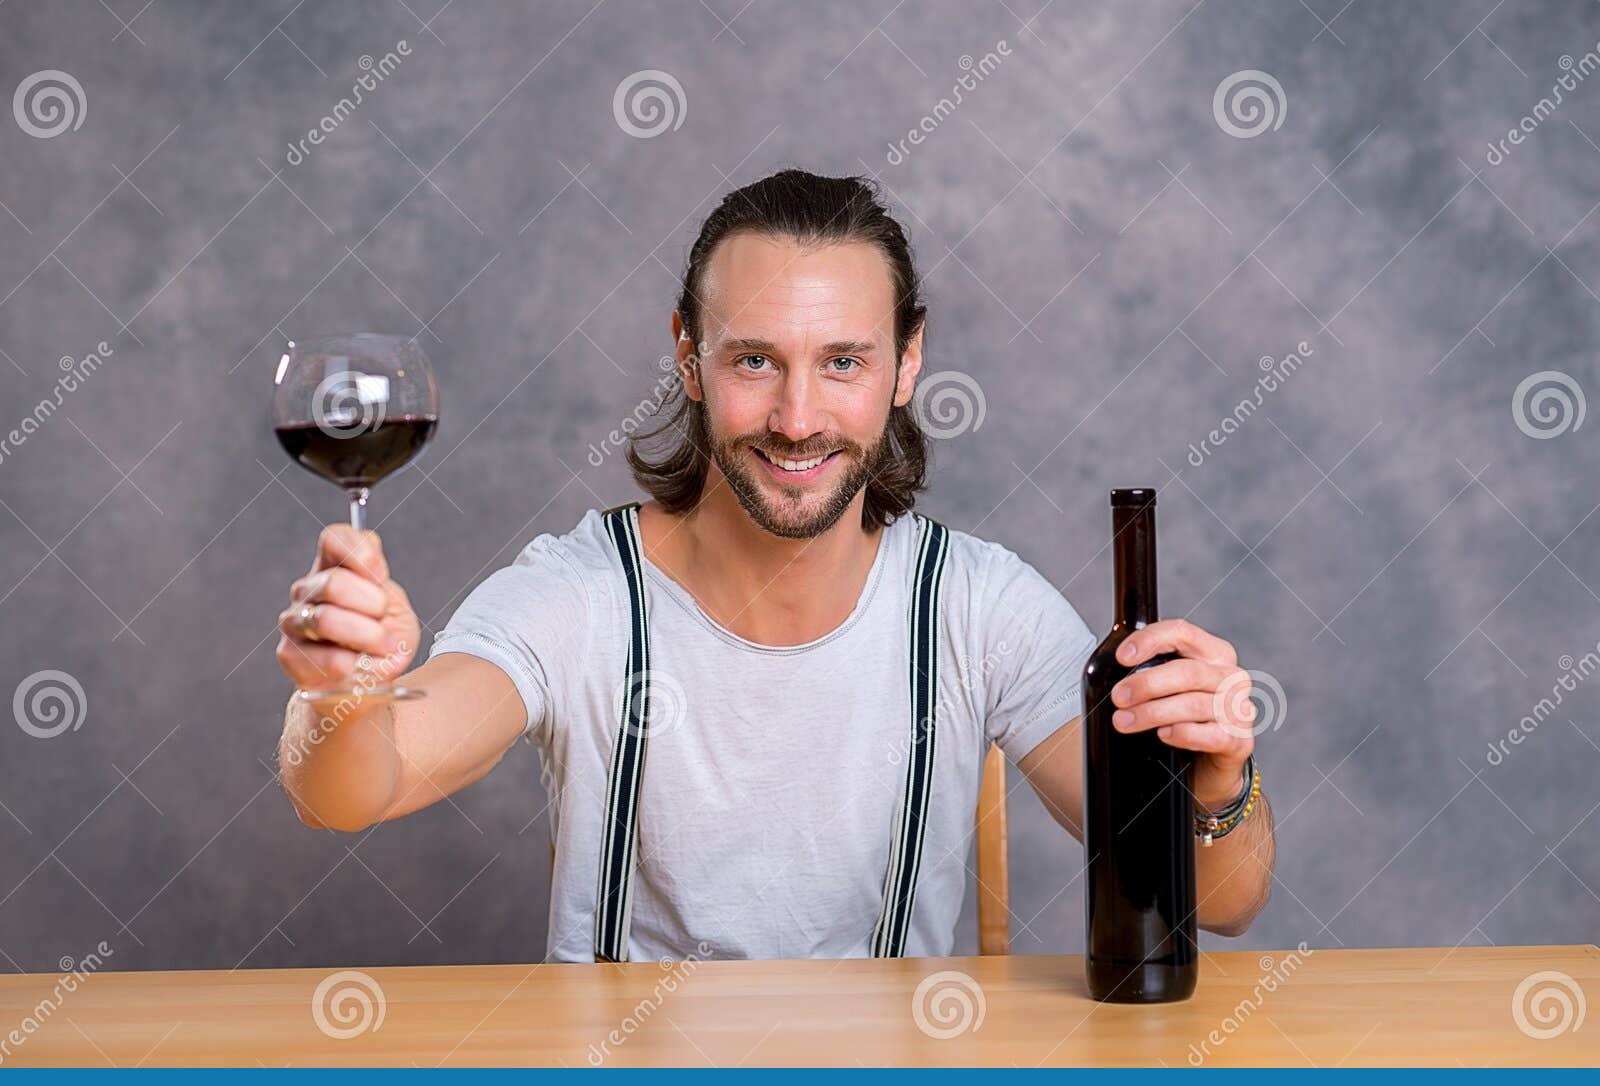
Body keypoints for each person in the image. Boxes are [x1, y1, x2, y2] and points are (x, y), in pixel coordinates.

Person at [274, 169, 1275, 963]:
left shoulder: (977, 607)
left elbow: (1221, 904)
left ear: (906, 363)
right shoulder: (580, 596)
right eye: (755, 360)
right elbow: (352, 793)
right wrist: (340, 690)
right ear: (686, 354)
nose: (798, 421)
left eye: (842, 361)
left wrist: (1219, 780)